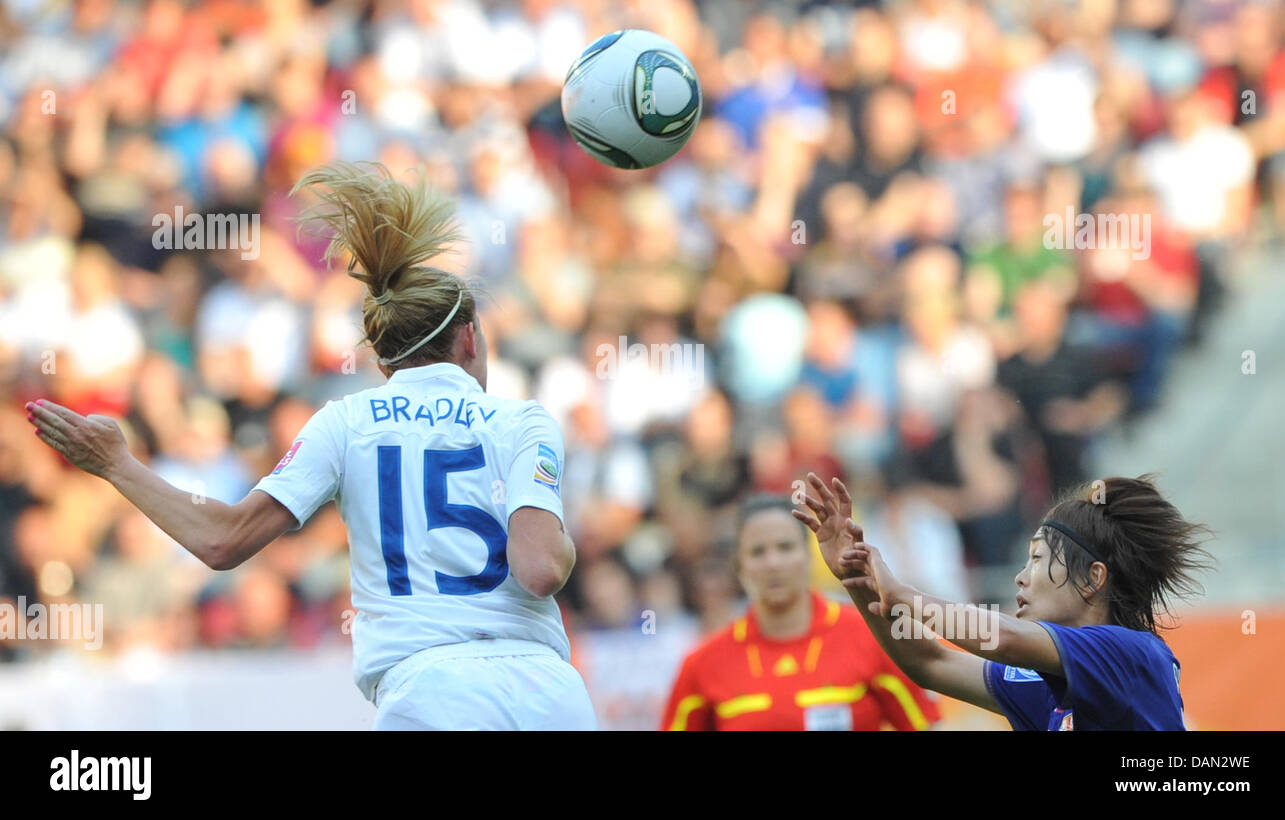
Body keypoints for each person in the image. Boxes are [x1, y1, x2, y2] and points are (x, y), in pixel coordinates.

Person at [25, 162, 598, 731]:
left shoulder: (346, 422)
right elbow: (541, 569)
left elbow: (220, 540)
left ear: (382, 361)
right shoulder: (523, 421)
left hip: (433, 697)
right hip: (546, 696)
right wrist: (564, 543)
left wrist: (117, 464)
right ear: (470, 336)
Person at [794, 472, 1211, 730]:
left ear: (1093, 579)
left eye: (1037, 559)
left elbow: (1005, 638)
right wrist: (859, 580)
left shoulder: (1130, 654)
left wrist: (903, 593)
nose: (1020, 576)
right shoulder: (1046, 689)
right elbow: (930, 663)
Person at [660, 494, 940, 731]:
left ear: (808, 556)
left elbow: (928, 724)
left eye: (785, 547)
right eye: (758, 552)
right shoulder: (702, 664)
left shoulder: (872, 639)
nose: (773, 563)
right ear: (739, 566)